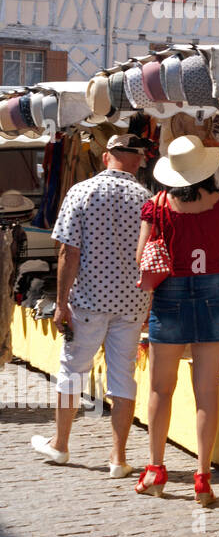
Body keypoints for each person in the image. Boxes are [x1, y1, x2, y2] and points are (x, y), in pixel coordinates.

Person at [32, 133, 153, 477]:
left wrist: (60, 303)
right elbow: (152, 256)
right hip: (131, 300)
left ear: (106, 157)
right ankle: (118, 457)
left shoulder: (81, 192)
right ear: (138, 160)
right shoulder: (145, 198)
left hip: (88, 299)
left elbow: (68, 252)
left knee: (72, 371)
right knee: (122, 378)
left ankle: (61, 444)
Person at [133, 136, 219, 506]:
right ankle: (204, 477)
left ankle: (155, 470)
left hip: (170, 296)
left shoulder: (156, 205)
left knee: (161, 389)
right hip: (214, 294)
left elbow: (141, 258)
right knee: (206, 392)